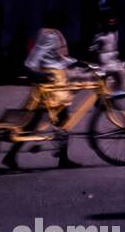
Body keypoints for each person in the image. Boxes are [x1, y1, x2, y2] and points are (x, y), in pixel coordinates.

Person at [5, 14, 80, 169]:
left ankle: (11, 155)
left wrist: (75, 62)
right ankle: (63, 159)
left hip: (53, 80)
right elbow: (38, 56)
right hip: (53, 83)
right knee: (63, 120)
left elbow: (55, 57)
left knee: (34, 121)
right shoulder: (50, 35)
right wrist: (32, 70)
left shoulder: (47, 33)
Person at [88, 15, 122, 89]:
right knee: (105, 75)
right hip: (105, 56)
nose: (111, 24)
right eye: (109, 22)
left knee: (117, 75)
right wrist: (95, 53)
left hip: (113, 55)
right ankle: (103, 92)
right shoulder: (99, 36)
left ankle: (116, 91)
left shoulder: (115, 32)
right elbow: (92, 48)